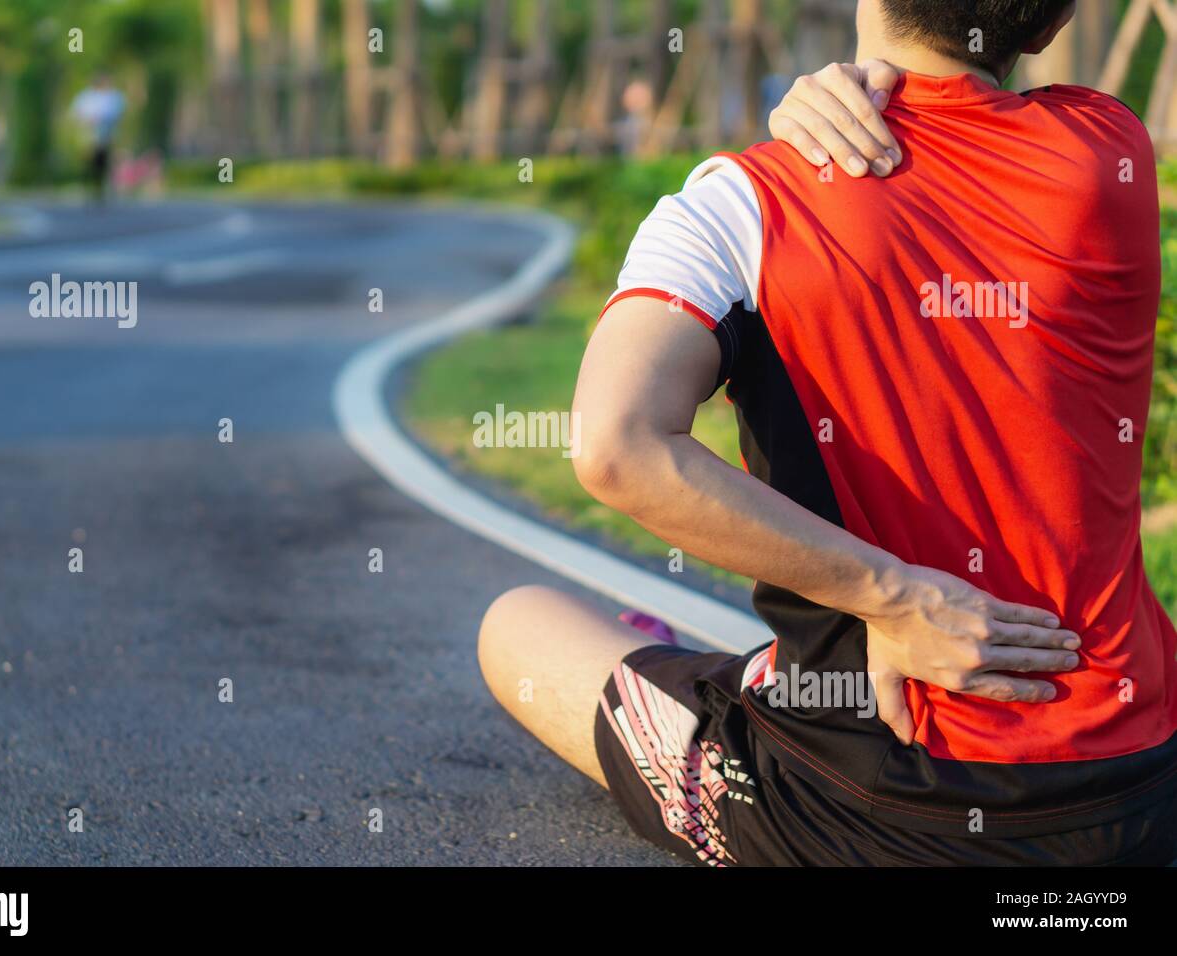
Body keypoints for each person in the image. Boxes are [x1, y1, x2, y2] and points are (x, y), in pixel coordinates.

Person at [478, 0, 1177, 866]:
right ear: (1051, 24)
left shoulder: (741, 203)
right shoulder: (1110, 149)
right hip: (1140, 789)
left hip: (873, 806)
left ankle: (739, 686)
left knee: (515, 623)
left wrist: (897, 596)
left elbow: (616, 446)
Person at [71, 73, 126, 204]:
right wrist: (86, 120)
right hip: (88, 132)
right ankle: (87, 187)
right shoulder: (86, 96)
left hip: (106, 132)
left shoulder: (113, 96)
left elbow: (117, 113)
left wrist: (103, 119)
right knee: (89, 160)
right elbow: (77, 112)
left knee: (104, 161)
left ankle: (103, 189)